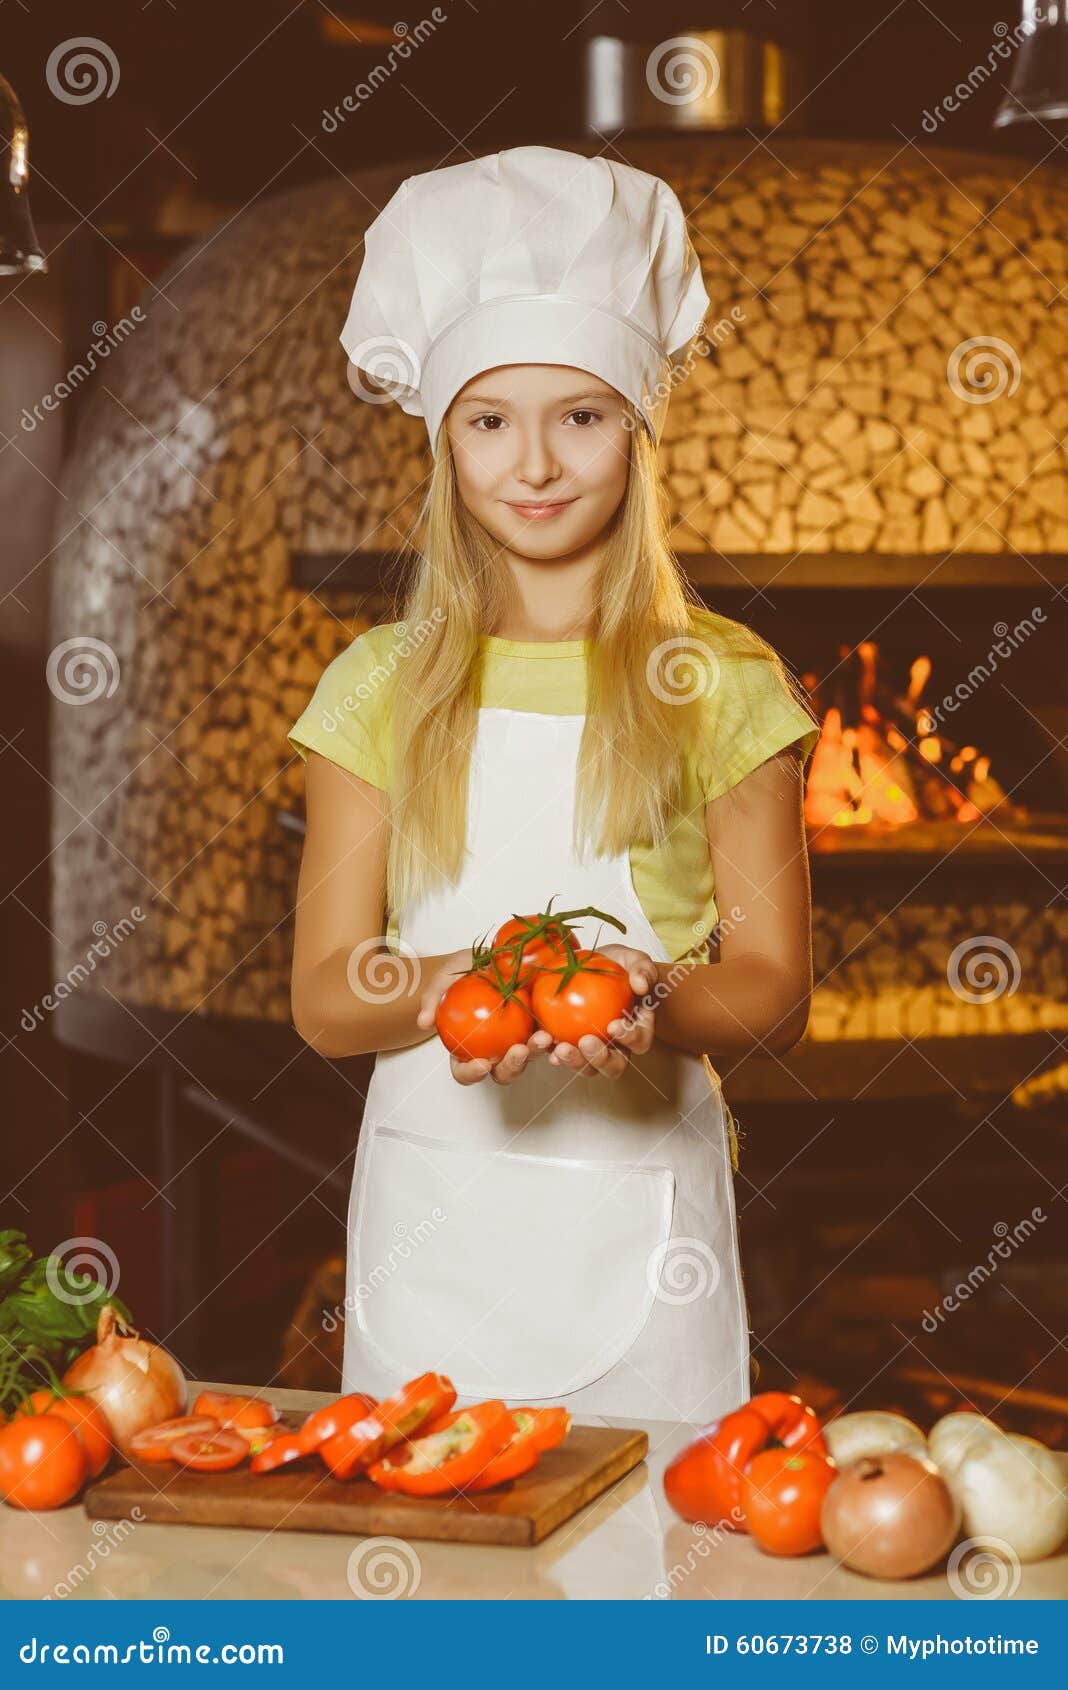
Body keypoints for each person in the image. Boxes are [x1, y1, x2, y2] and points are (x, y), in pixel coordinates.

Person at [288, 146, 820, 1424]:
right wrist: (475, 987)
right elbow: (324, 995)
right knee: (429, 1588)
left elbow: (774, 992)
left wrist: (644, 999)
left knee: (642, 1591)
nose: (533, 463)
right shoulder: (379, 683)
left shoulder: (724, 681)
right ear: (444, 443)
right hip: (434, 1236)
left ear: (636, 432)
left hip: (645, 1242)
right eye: (490, 419)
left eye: (578, 415)